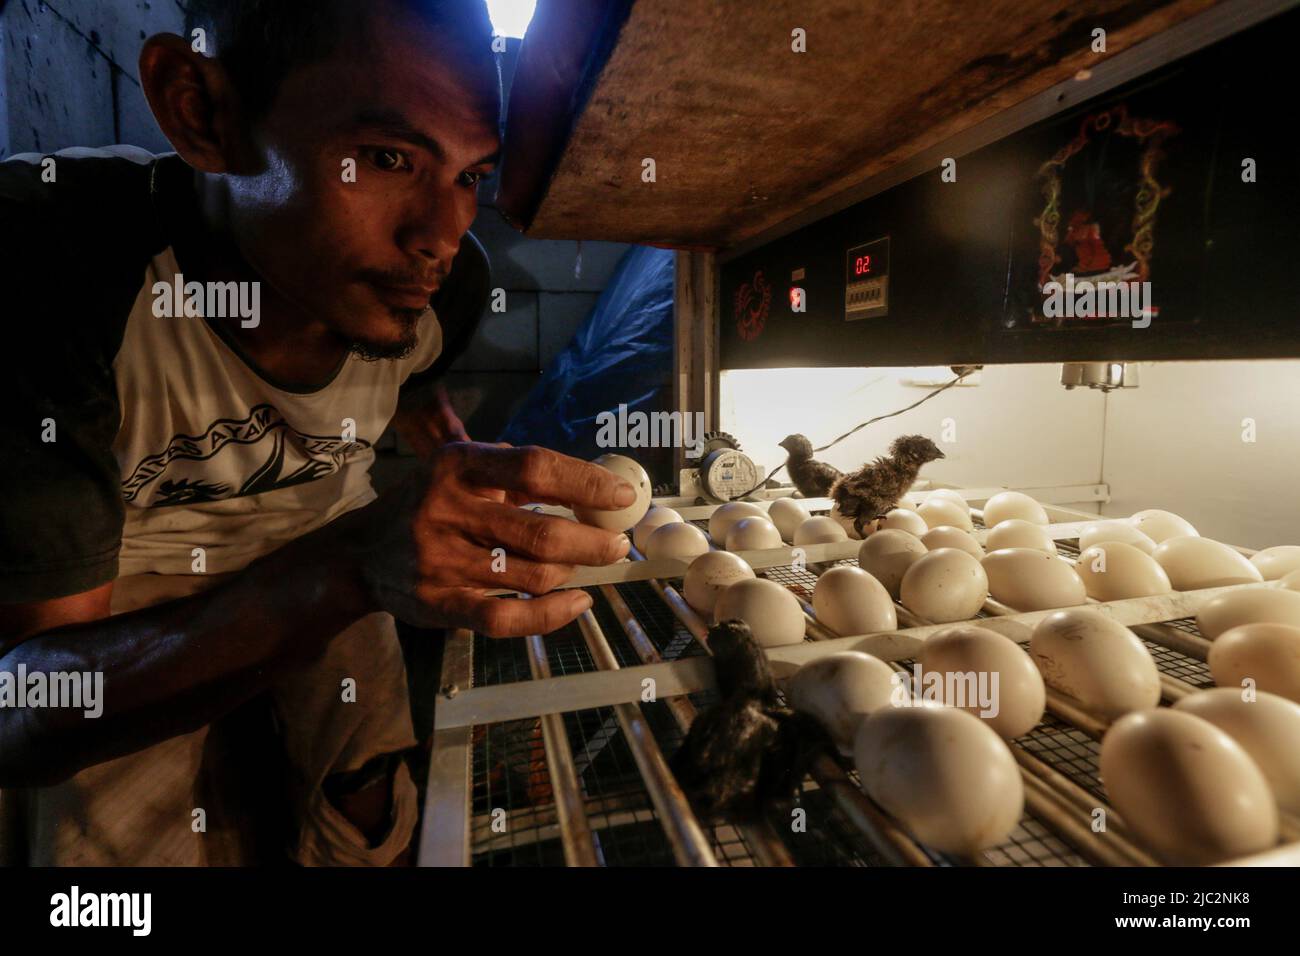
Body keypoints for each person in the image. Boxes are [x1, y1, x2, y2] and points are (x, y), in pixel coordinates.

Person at [0, 0, 633, 866]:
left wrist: (446, 452)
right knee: (106, 835)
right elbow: (25, 708)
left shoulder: (442, 289)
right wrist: (351, 567)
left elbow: (412, 371)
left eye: (471, 176)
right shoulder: (58, 263)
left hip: (324, 532)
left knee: (372, 808)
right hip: (120, 596)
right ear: (201, 111)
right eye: (385, 158)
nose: (440, 238)